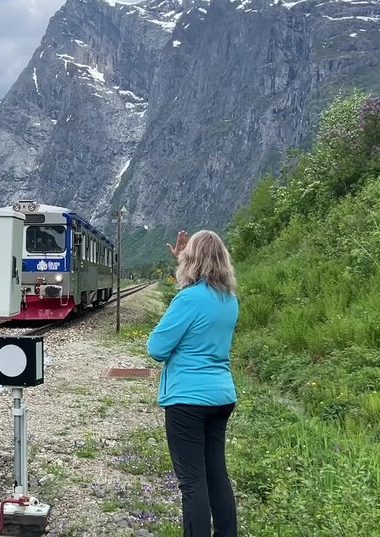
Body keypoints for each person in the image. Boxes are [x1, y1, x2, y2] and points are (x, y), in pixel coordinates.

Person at [147, 230, 239, 537]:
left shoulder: (188, 299)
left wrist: (183, 272)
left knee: (192, 483)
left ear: (192, 260)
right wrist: (185, 266)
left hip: (188, 401)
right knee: (216, 476)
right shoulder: (229, 300)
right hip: (221, 397)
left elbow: (156, 348)